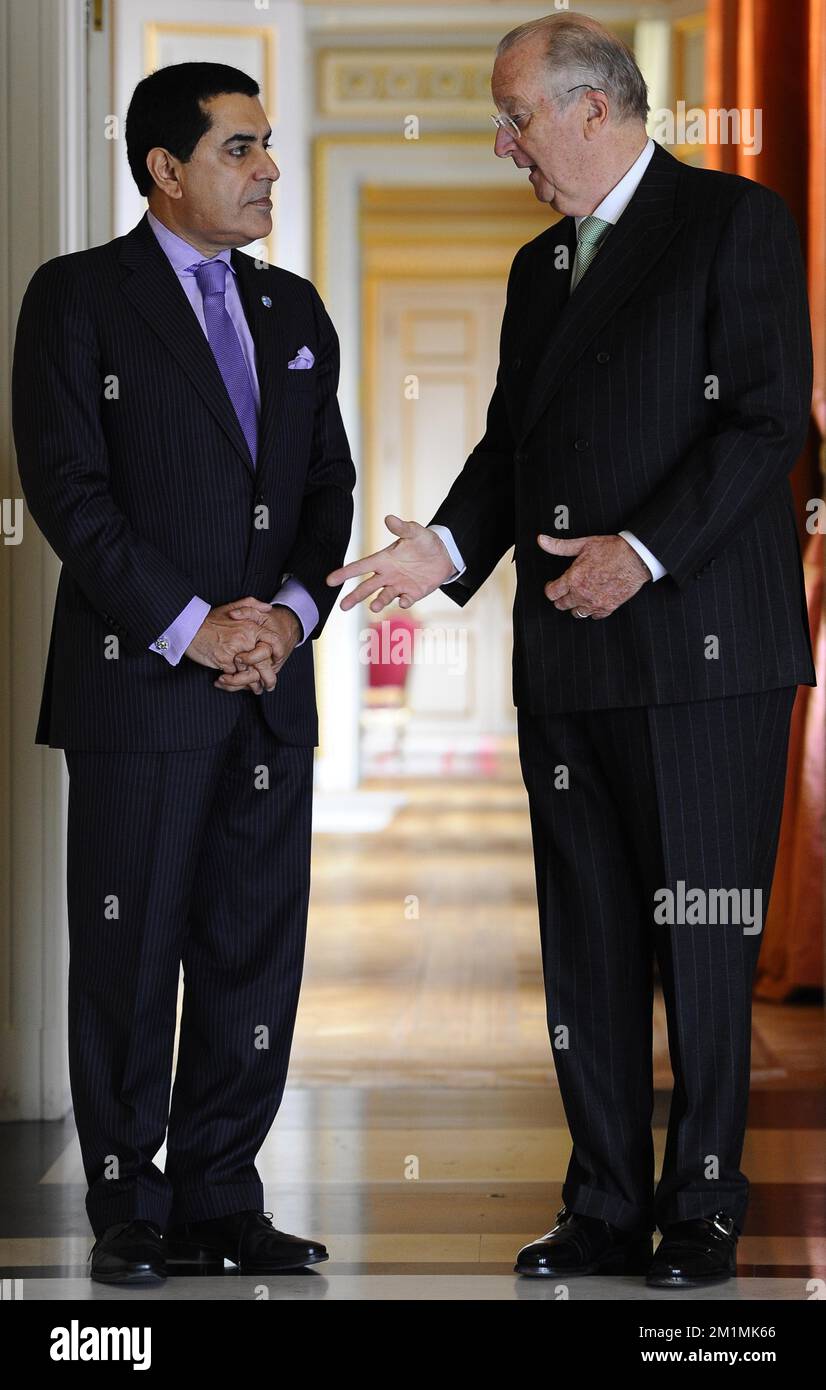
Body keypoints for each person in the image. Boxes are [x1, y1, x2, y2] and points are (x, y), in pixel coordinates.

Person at [327, 12, 816, 1288]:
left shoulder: (735, 224)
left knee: (701, 941)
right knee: (588, 939)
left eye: (517, 116)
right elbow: (510, 449)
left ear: (594, 108)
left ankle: (702, 1207)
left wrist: (640, 552)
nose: (504, 144)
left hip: (707, 661)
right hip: (567, 658)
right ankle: (601, 1201)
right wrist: (437, 547)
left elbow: (764, 425)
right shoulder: (537, 272)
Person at [12, 61, 356, 1285]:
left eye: (267, 146)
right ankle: (128, 1210)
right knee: (129, 949)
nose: (269, 168)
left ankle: (221, 1198)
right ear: (164, 169)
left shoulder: (295, 310)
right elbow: (69, 492)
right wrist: (195, 625)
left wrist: (291, 619)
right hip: (137, 685)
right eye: (240, 148)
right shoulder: (77, 300)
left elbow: (329, 491)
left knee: (252, 951)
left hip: (272, 690)